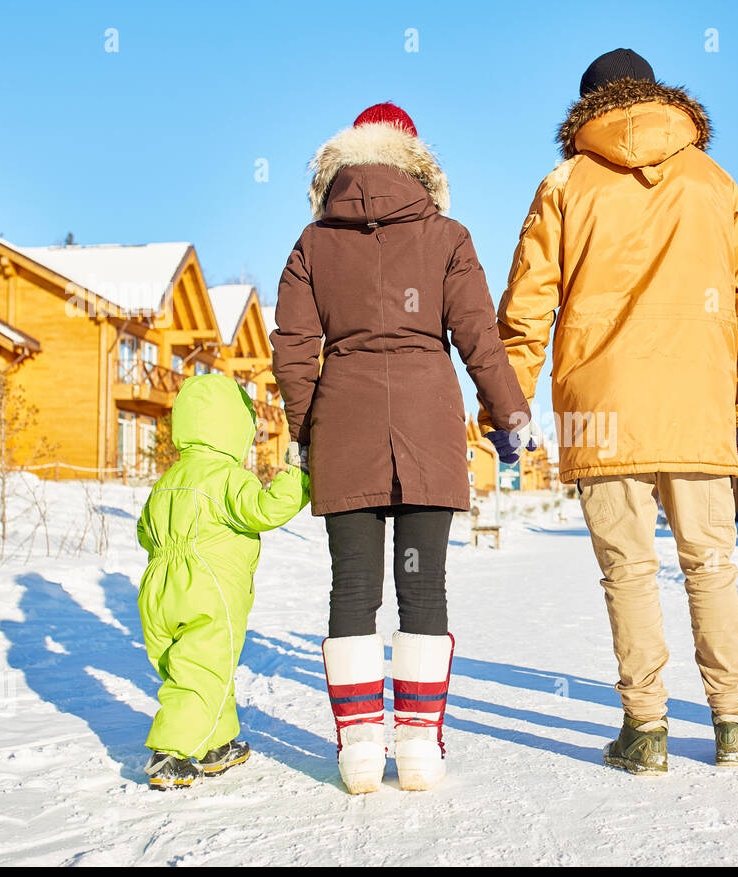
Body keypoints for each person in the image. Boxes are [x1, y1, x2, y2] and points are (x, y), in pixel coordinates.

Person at [482, 49, 738, 774]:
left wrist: (504, 405)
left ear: (589, 106)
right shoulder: (716, 183)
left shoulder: (565, 183)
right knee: (711, 566)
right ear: (653, 92)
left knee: (629, 571)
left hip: (600, 408)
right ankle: (734, 722)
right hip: (698, 407)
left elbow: (526, 312)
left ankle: (645, 731)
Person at [272, 103, 528, 793]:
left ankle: (358, 750)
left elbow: (294, 347)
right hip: (426, 423)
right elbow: (478, 335)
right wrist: (510, 416)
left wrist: (305, 430)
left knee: (352, 588)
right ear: (417, 161)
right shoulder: (448, 235)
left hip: (344, 423)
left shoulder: (312, 242)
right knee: (423, 588)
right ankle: (416, 747)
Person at [136, 375, 311, 790]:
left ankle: (217, 744)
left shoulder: (168, 480)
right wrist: (298, 475)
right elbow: (265, 509)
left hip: (158, 588)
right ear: (235, 427)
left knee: (190, 666)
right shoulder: (227, 477)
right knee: (203, 668)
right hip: (209, 588)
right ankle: (170, 755)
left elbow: (144, 531)